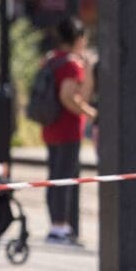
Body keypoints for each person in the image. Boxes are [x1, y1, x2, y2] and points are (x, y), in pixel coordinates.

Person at [41, 16, 96, 245]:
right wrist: (90, 113)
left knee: (55, 177)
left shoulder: (51, 59)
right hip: (67, 129)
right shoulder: (71, 64)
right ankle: (59, 228)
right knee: (64, 179)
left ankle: (57, 225)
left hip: (50, 127)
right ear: (78, 38)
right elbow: (68, 96)